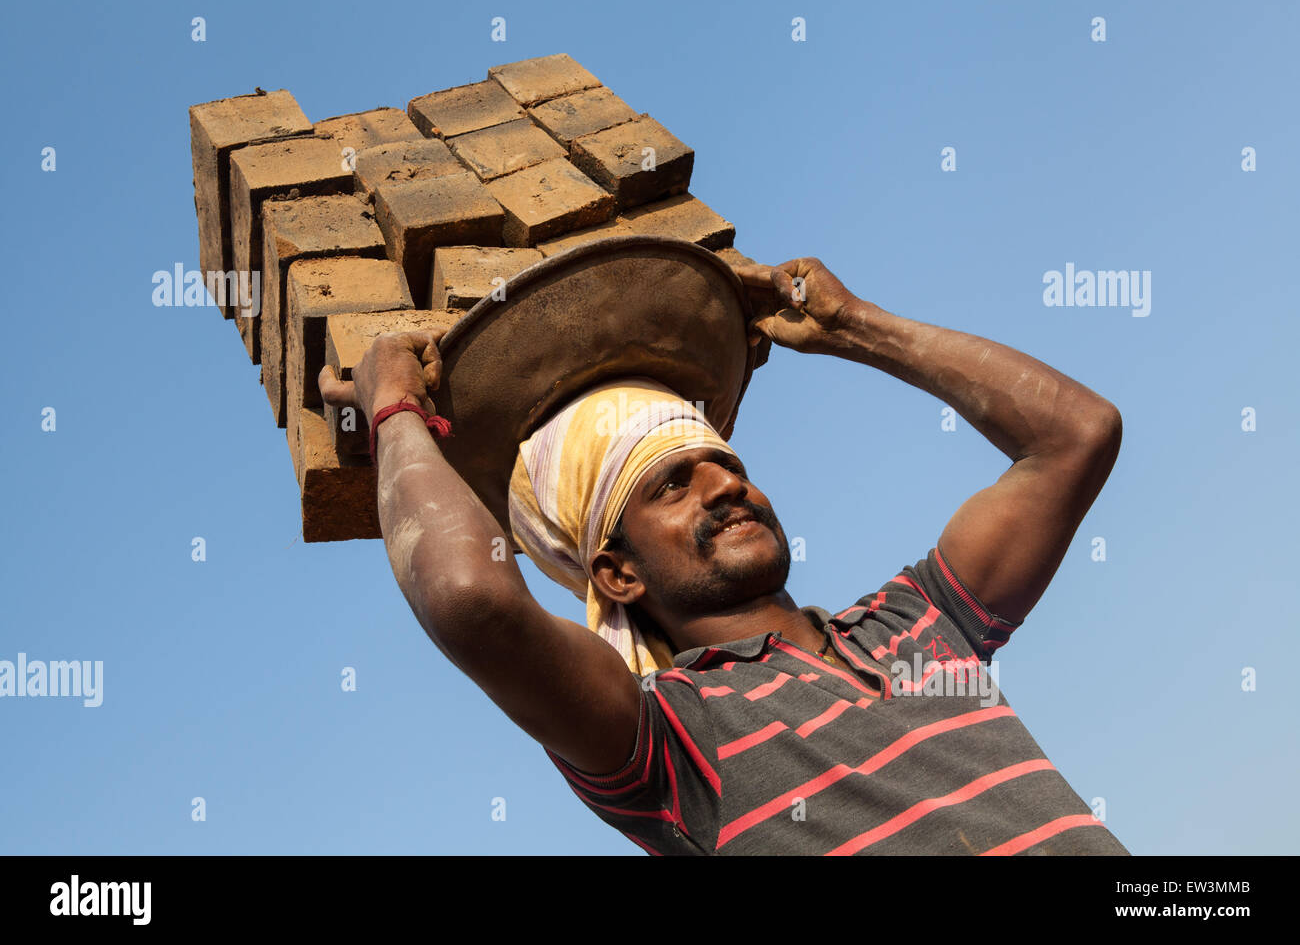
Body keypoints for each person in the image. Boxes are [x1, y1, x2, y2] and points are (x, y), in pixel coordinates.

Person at [320, 255, 1129, 855]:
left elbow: (1075, 436)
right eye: (671, 485)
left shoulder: (920, 626)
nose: (723, 487)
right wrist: (395, 413)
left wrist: (853, 327)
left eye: (729, 465)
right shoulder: (671, 745)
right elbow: (470, 601)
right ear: (618, 573)